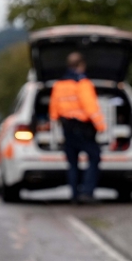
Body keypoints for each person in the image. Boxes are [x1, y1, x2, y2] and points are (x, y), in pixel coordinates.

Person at [50, 51, 107, 204]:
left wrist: (54, 124)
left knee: (72, 163)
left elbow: (54, 109)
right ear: (81, 65)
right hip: (83, 127)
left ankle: (74, 195)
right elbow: (90, 107)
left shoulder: (59, 84)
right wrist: (101, 126)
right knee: (94, 156)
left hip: (67, 127)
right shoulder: (83, 83)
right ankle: (87, 193)